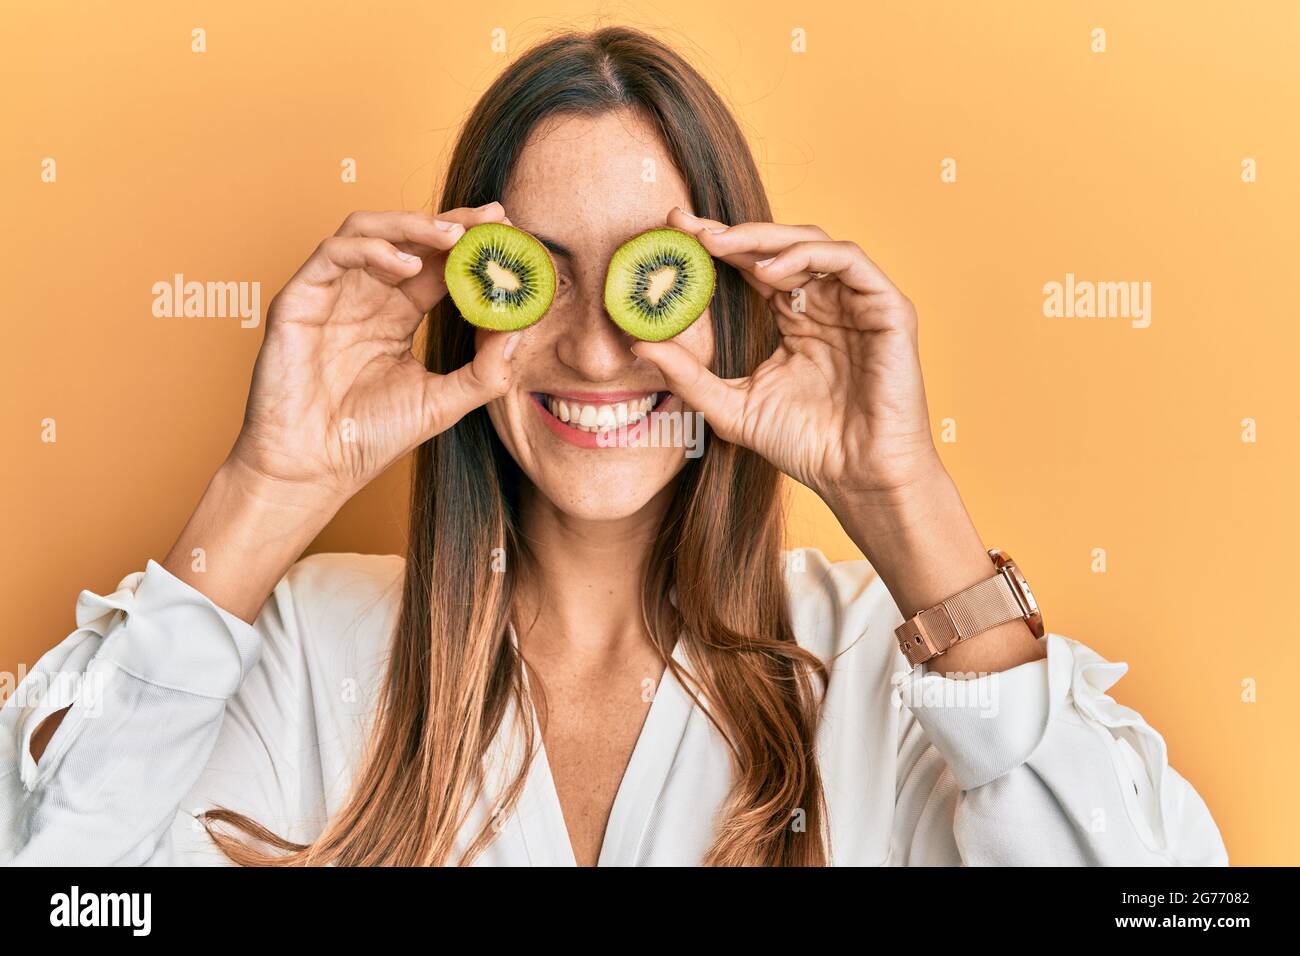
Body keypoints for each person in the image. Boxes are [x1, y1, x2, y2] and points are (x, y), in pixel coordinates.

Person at [0, 27, 1226, 866]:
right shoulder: (308, 652)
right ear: (468, 293)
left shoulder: (872, 669)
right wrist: (268, 483)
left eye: (649, 279)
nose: (593, 352)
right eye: (537, 279)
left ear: (737, 296)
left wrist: (904, 497)